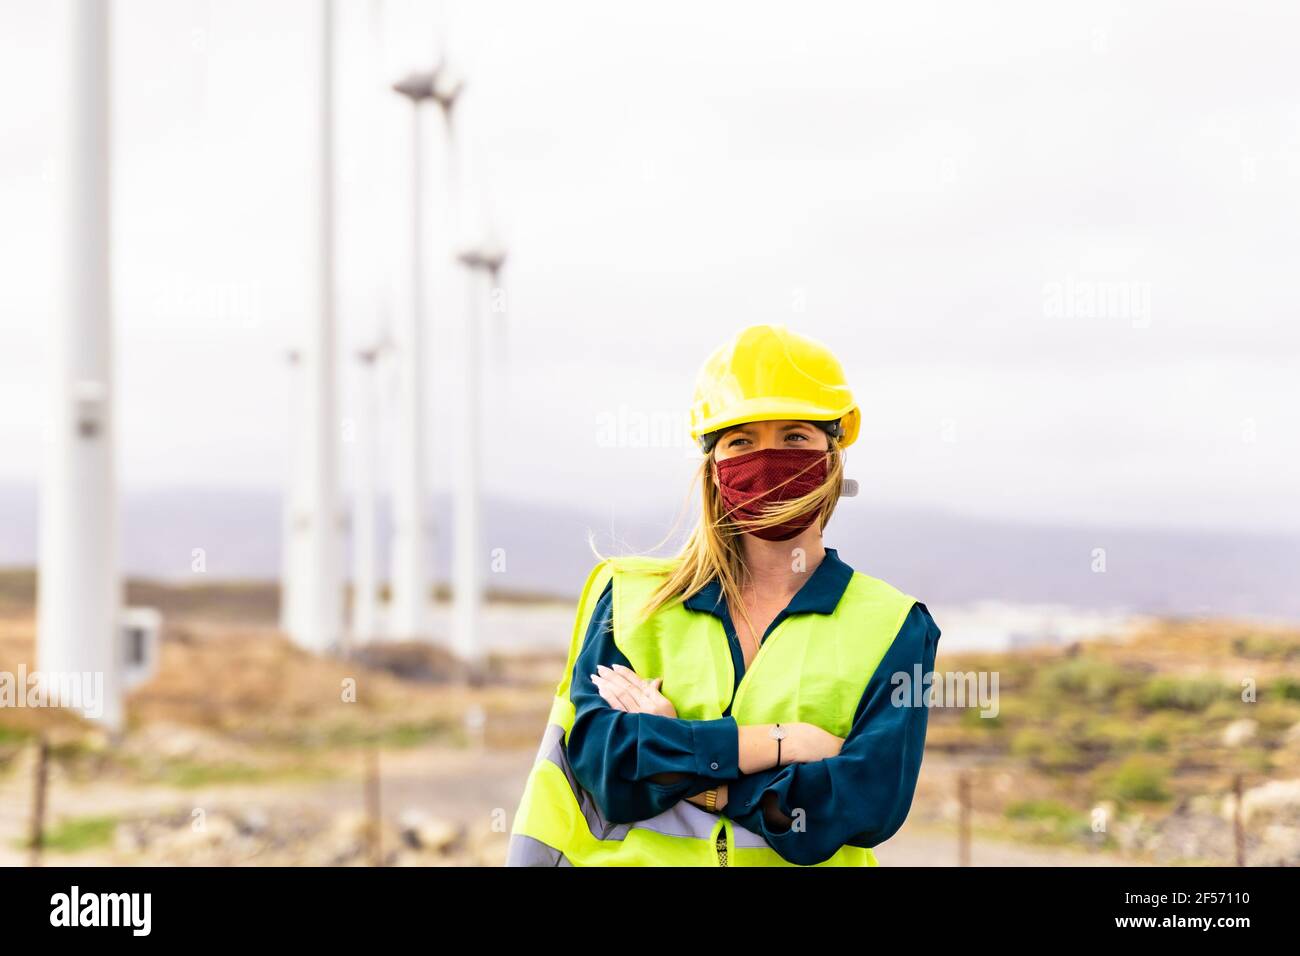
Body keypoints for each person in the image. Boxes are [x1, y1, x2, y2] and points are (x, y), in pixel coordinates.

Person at [506, 323, 941, 866]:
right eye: (741, 441)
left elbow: (860, 805)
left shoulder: (895, 627)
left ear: (833, 459)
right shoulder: (632, 599)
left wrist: (680, 754)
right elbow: (609, 767)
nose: (769, 459)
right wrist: (782, 743)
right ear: (713, 467)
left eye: (795, 437)